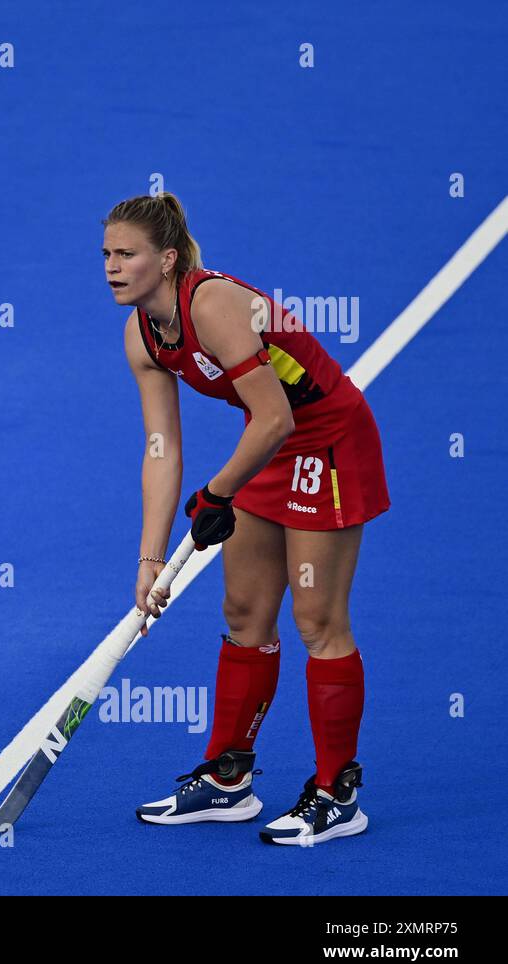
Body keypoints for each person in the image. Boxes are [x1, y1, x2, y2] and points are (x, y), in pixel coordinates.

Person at [104, 192, 389, 846]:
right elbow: (162, 448)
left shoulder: (212, 306)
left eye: (128, 254)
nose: (113, 268)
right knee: (244, 612)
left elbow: (280, 417)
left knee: (317, 619)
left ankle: (336, 791)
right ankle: (228, 779)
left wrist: (218, 492)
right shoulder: (141, 334)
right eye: (107, 255)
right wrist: (151, 561)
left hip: (327, 440)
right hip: (264, 445)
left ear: (167, 258)